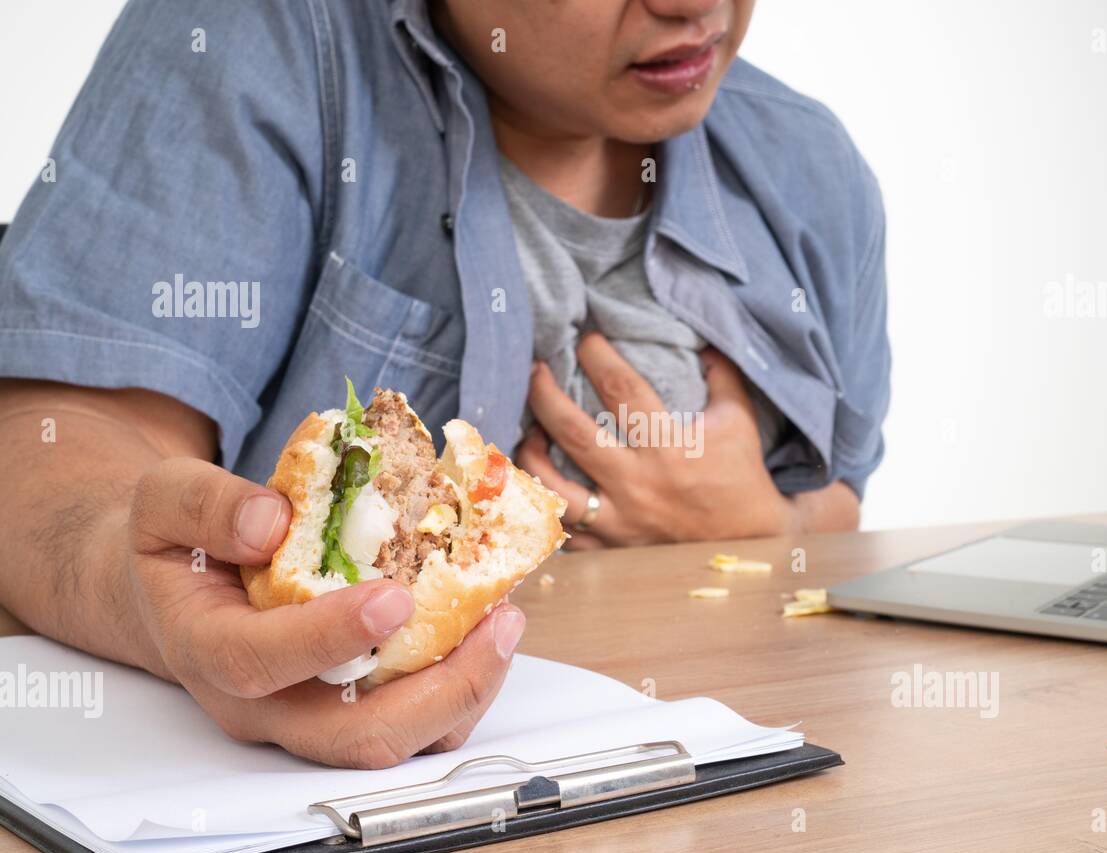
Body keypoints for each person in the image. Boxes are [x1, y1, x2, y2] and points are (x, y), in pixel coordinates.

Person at [0, 0, 888, 766]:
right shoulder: (251, 39)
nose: (697, 6)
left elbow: (838, 505)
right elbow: (51, 435)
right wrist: (161, 606)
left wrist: (772, 531)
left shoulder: (812, 165)